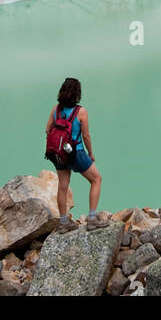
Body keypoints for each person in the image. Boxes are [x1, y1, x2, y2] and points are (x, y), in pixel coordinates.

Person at [46, 77, 105, 229]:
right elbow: (86, 136)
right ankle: (92, 218)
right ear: (77, 94)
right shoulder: (81, 112)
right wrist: (90, 153)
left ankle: (64, 222)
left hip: (58, 153)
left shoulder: (56, 109)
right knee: (96, 179)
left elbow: (47, 130)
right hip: (75, 153)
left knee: (63, 186)